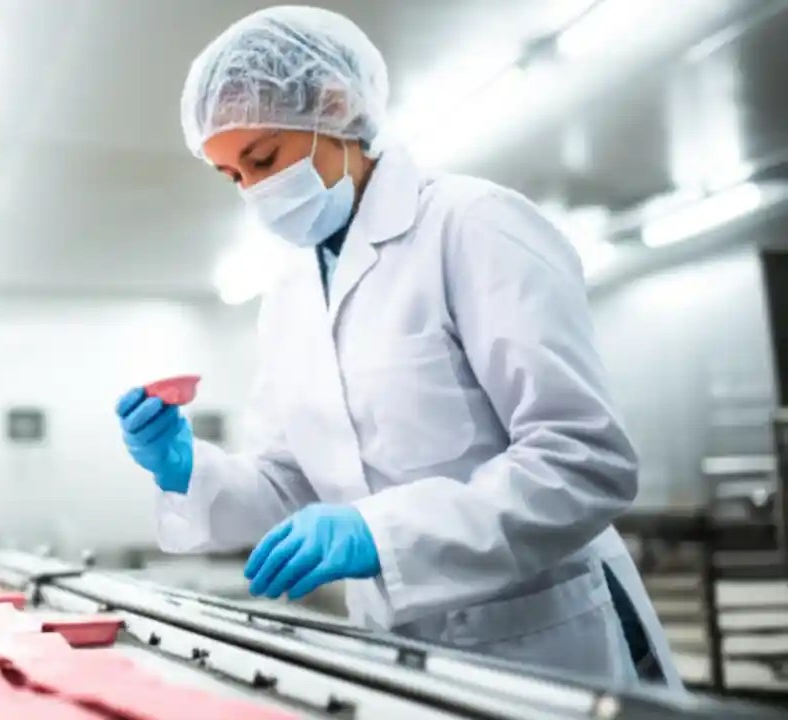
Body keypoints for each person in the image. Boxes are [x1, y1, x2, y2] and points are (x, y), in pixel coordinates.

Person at [115, 5, 680, 688]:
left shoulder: (473, 226)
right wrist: (186, 471)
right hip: (397, 652)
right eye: (234, 176)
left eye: (263, 158)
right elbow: (289, 479)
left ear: (334, 105)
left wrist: (378, 533)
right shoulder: (291, 293)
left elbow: (584, 461)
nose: (256, 192)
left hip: (546, 640)